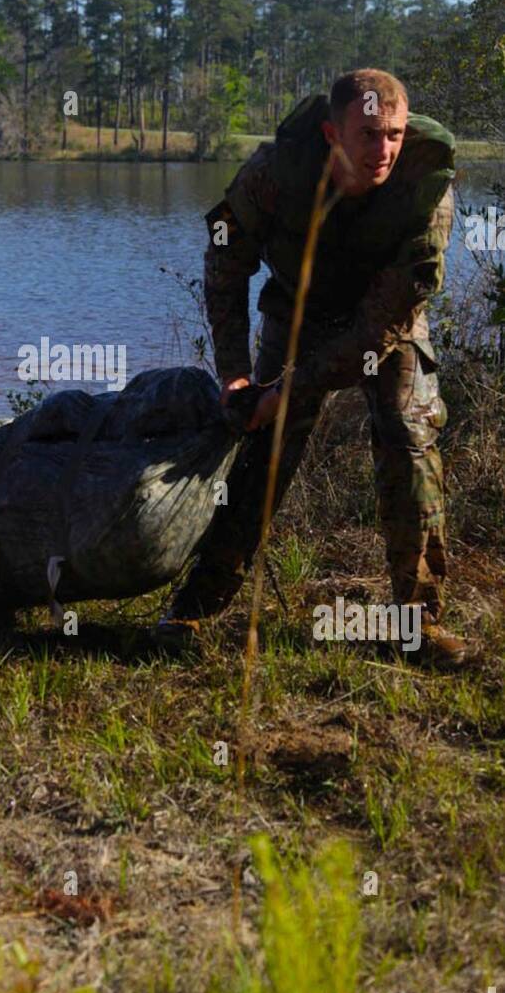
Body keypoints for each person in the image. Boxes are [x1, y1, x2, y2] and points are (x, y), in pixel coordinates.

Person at [161, 68, 465, 668]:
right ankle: (194, 608)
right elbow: (225, 265)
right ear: (331, 132)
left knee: (409, 439)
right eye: (370, 134)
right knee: (259, 452)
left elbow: (383, 323)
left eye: (395, 135)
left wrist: (295, 385)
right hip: (299, 314)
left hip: (386, 323)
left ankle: (420, 625)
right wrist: (236, 375)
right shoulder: (272, 176)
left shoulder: (427, 193)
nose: (384, 150)